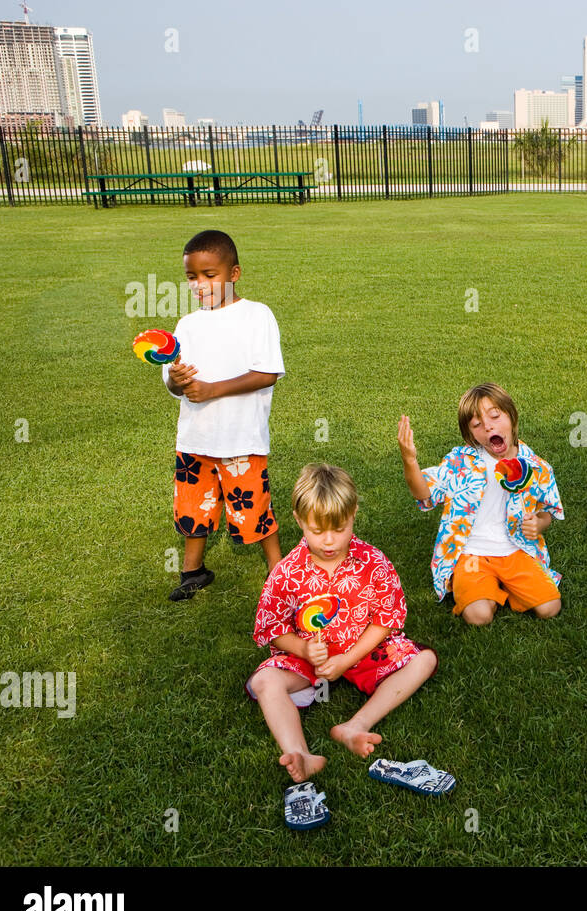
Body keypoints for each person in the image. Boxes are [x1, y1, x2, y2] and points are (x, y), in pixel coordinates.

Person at [247, 463, 437, 790]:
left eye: (340, 527)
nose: (330, 540)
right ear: (298, 520)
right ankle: (298, 753)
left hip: (363, 651)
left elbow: (385, 621)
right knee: (265, 681)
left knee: (425, 659)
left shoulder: (374, 562)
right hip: (308, 659)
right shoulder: (286, 572)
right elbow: (273, 629)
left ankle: (355, 724)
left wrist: (347, 660)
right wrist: (304, 648)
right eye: (318, 531)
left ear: (353, 514)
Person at [162, 229, 284, 600]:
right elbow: (170, 383)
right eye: (191, 277)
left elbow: (268, 372)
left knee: (254, 508)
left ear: (234, 274)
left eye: (209, 275)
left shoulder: (256, 316)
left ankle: (278, 572)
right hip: (195, 438)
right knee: (192, 508)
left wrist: (213, 389)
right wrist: (178, 382)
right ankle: (193, 570)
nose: (200, 285)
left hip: (239, 438)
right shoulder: (186, 325)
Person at [398, 383, 564, 626]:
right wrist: (410, 460)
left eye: (495, 416)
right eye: (477, 425)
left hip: (516, 551)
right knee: (479, 616)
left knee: (550, 607)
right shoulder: (461, 461)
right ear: (471, 434)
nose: (488, 426)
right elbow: (423, 492)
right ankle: (482, 588)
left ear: (511, 416)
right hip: (471, 553)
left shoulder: (536, 466)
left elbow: (546, 512)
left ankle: (494, 588)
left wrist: (539, 524)